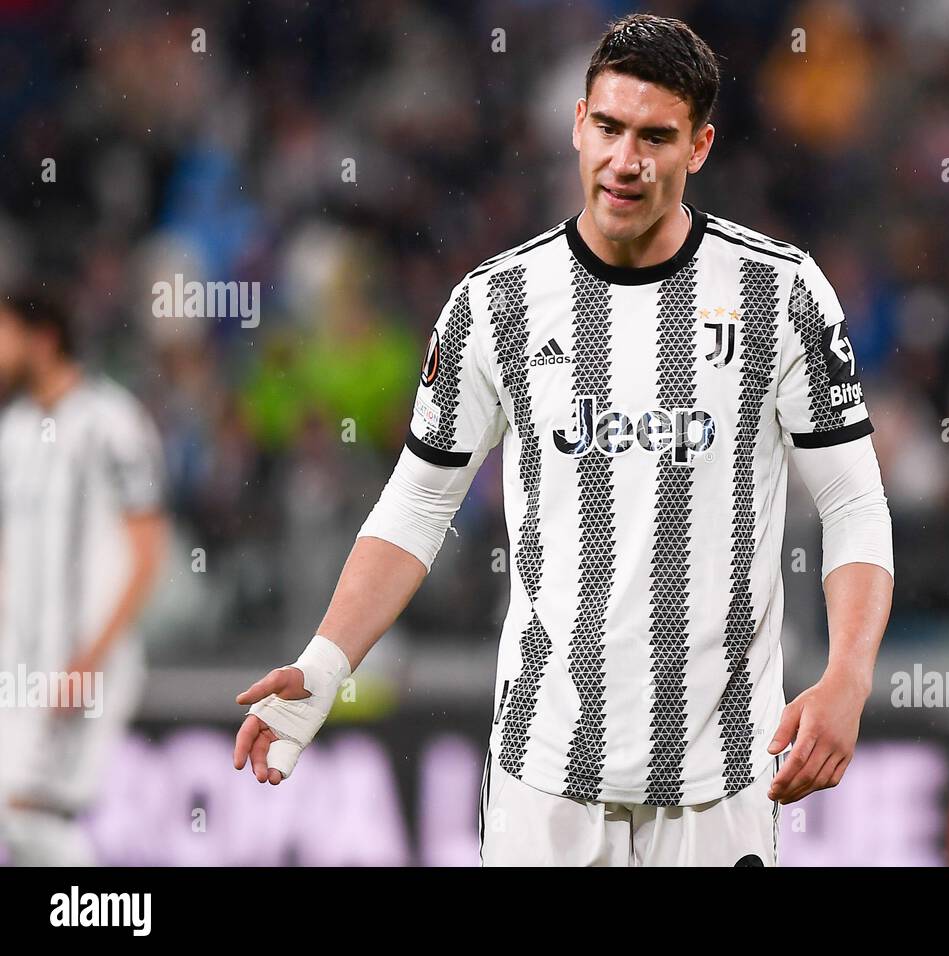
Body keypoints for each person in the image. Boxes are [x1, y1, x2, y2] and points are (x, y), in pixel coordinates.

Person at [234, 13, 894, 867]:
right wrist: (324, 666)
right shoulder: (495, 303)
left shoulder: (781, 293)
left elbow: (852, 500)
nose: (626, 160)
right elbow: (419, 501)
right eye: (610, 128)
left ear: (700, 148)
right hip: (544, 777)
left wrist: (848, 676)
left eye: (657, 137)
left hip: (722, 778)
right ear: (578, 124)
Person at [0, 286, 168, 865]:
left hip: (83, 663)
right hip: (17, 668)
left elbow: (149, 549)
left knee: (29, 810)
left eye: (4, 334)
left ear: (42, 339)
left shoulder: (111, 422)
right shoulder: (14, 432)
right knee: (20, 817)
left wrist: (90, 658)